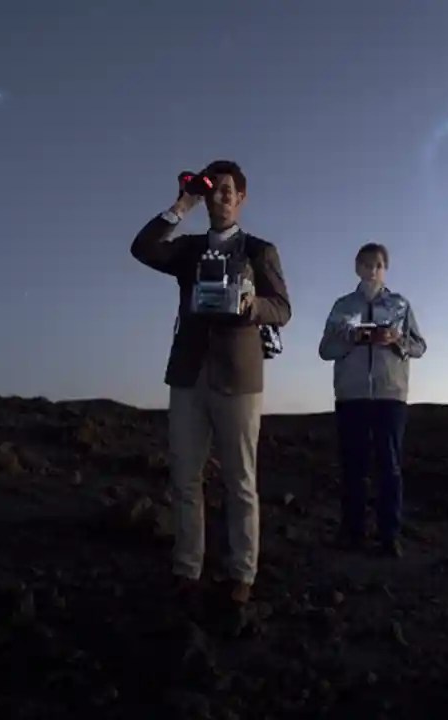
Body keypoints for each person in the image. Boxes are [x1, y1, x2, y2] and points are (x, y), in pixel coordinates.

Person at [129, 160, 291, 610]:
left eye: (227, 190)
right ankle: (187, 568)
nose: (218, 196)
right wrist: (182, 204)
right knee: (185, 477)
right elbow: (142, 248)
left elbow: (283, 308)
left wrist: (252, 303)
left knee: (240, 481)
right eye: (212, 190)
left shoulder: (260, 251)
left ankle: (242, 573)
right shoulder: (188, 249)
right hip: (188, 373)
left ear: (241, 199)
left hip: (239, 377)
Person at [318, 242, 427, 557]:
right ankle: (352, 532)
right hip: (351, 396)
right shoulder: (342, 306)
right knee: (354, 466)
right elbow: (325, 349)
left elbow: (420, 346)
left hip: (390, 397)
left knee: (389, 467)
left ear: (385, 269)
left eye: (378, 265)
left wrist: (397, 342)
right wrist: (350, 339)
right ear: (357, 268)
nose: (372, 270)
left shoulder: (400, 305)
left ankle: (389, 535)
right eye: (366, 264)